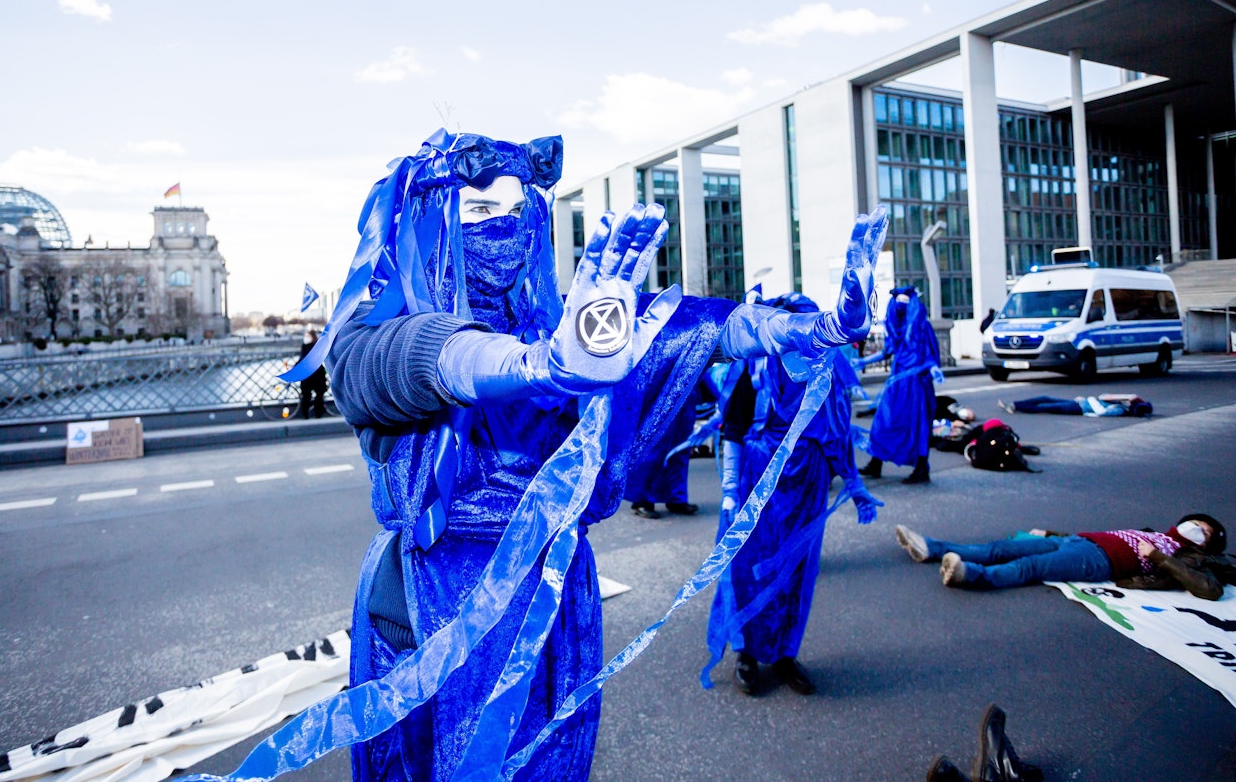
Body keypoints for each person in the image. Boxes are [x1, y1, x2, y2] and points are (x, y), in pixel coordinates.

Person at [232, 130, 889, 782]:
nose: (504, 227)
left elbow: (686, 331)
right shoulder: (374, 334)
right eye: (480, 211)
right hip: (440, 606)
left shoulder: (555, 323)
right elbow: (428, 357)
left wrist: (806, 328)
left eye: (516, 210)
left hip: (552, 597)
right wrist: (538, 367)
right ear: (431, 222)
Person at [711, 293, 882, 696]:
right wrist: (731, 491)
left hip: (807, 485)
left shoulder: (824, 372)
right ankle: (747, 653)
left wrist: (856, 486)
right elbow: (733, 429)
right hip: (758, 482)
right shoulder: (754, 369)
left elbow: (837, 433)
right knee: (750, 568)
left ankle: (785, 652)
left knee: (796, 574)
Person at [893, 515, 1226, 597]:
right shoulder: (1156, 532)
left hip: (1100, 562)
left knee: (1030, 567)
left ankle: (970, 574)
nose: (1199, 529)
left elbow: (1210, 589)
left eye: (1206, 533)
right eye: (1198, 523)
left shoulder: (1186, 556)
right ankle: (931, 548)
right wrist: (1052, 534)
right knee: (1001, 548)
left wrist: (1160, 559)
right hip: (1077, 542)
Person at [859, 286, 943, 484]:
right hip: (897, 384)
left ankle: (922, 467)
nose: (900, 306)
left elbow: (930, 355)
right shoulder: (896, 327)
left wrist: (934, 369)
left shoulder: (922, 327)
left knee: (917, 425)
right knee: (884, 421)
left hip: (916, 385)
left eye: (904, 302)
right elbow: (887, 351)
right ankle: (876, 461)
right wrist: (862, 362)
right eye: (898, 302)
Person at [627, 386, 701, 518]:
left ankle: (676, 498)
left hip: (686, 397)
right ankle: (642, 501)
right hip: (659, 394)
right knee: (651, 451)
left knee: (680, 451)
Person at [999, 393, 1151, 418]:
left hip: (1079, 408)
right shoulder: (1120, 403)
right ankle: (1016, 404)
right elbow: (1104, 397)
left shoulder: (1119, 410)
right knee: (1045, 398)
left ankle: (1017, 407)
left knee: (1045, 406)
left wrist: (1090, 399)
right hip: (1079, 402)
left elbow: (1100, 411)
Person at [297, 327, 329, 418]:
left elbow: (303, 359)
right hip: (316, 373)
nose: (306, 338)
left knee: (309, 395)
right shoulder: (314, 345)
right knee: (315, 394)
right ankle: (316, 413)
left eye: (307, 336)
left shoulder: (308, 346)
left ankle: (307, 414)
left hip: (311, 374)